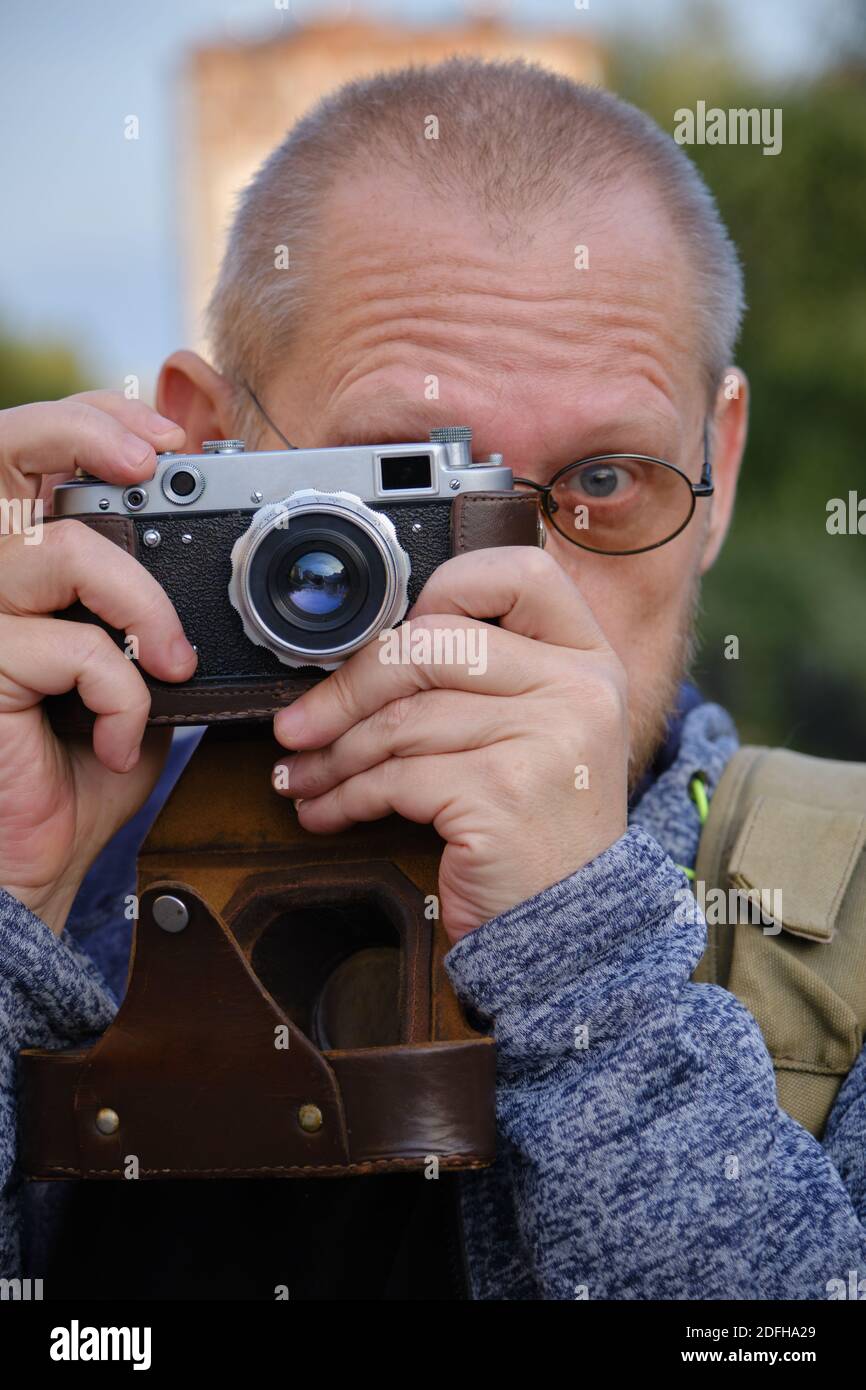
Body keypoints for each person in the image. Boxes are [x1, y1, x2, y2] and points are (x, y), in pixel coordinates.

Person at [1, 58, 864, 1300]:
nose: (516, 591)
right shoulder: (62, 891)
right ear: (197, 448)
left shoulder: (838, 940)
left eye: (603, 482)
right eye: (399, 490)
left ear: (713, 469)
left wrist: (583, 962)